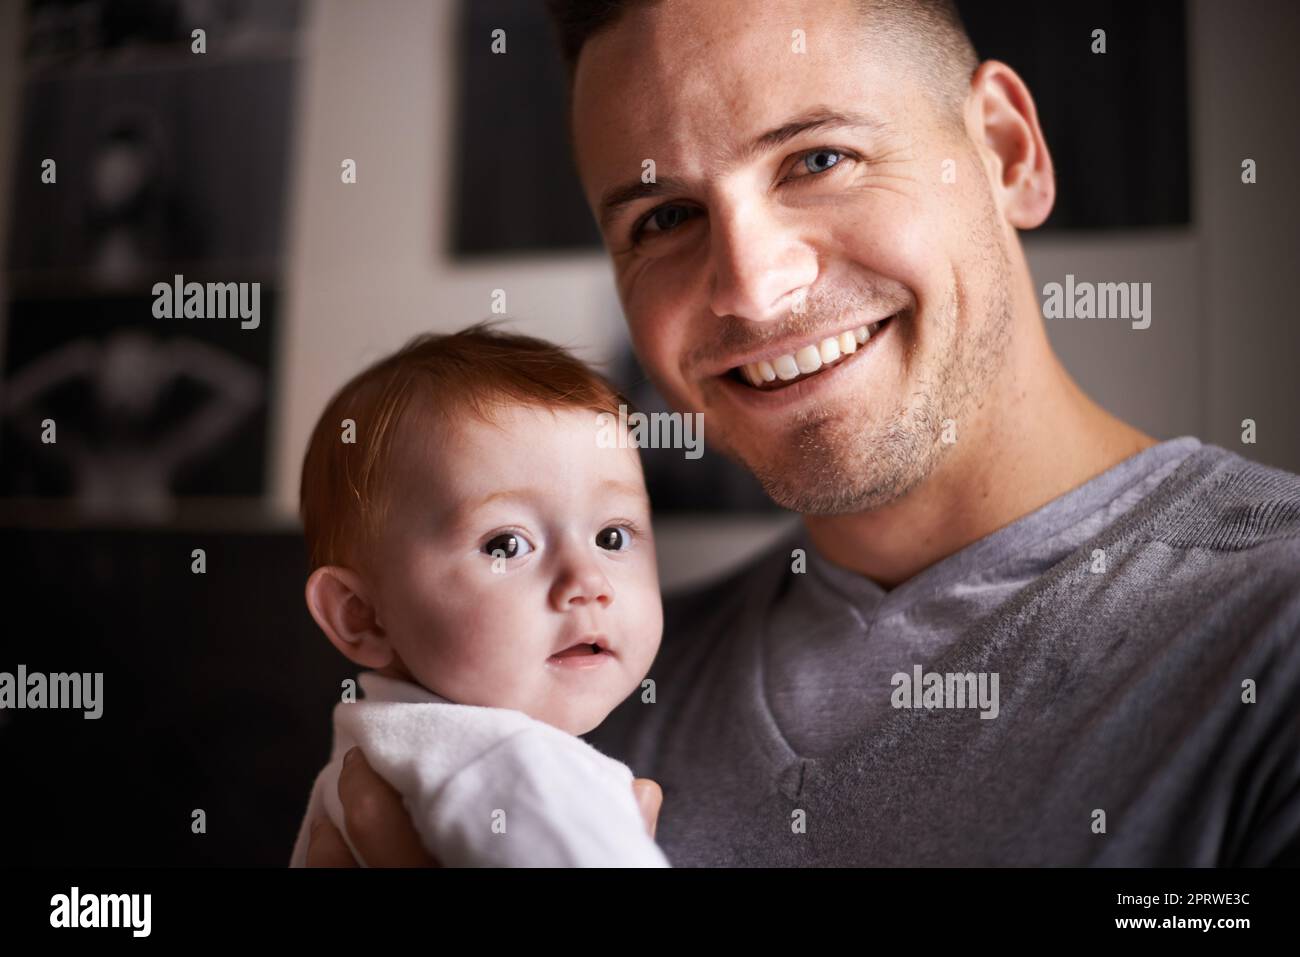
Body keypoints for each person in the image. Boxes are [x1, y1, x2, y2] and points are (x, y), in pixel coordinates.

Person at [306, 0, 1300, 866]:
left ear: (1005, 152)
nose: (749, 284)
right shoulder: (574, 680)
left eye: (819, 159)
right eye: (663, 218)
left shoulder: (1271, 633)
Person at [291, 324, 668, 866]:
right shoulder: (510, 763)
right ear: (363, 616)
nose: (587, 583)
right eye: (507, 543)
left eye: (611, 536)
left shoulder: (382, 753)